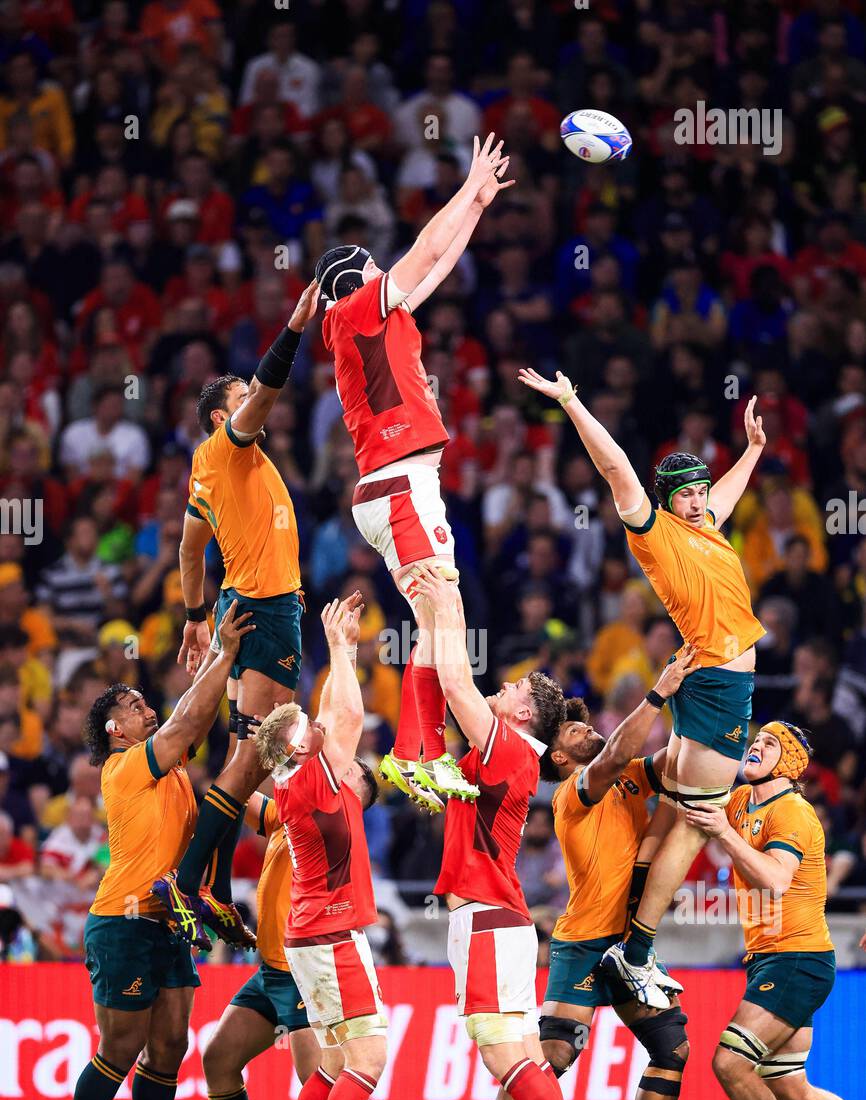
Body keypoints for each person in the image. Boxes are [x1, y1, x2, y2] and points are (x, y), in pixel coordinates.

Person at [519, 365, 767, 1009]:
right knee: (700, 818)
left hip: (703, 681)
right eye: (685, 493)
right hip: (718, 686)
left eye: (701, 490)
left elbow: (726, 497)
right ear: (665, 500)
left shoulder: (705, 524)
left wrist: (753, 452)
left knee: (678, 803)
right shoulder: (656, 534)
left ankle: (631, 927)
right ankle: (637, 951)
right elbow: (616, 469)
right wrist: (573, 402)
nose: (698, 498)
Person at [315, 133, 513, 814]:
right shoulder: (352, 310)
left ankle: (418, 750)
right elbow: (424, 251)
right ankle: (419, 751)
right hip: (401, 487)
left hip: (398, 487)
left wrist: (479, 206)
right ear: (354, 280)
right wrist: (465, 186)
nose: (385, 269)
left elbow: (433, 270)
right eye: (374, 264)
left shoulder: (375, 318)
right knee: (445, 618)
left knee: (439, 621)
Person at [469, 648, 701, 1100]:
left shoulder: (627, 778)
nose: (587, 730)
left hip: (628, 945)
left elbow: (676, 755)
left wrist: (698, 701)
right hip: (582, 942)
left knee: (673, 1048)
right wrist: (658, 692)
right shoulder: (575, 793)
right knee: (554, 1057)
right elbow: (623, 745)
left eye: (586, 723)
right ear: (558, 757)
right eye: (574, 730)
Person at [45, 601, 253, 1100]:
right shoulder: (126, 768)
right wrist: (223, 654)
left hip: (168, 922)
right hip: (122, 919)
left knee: (171, 1042)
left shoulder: (175, 771)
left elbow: (195, 723)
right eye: (132, 707)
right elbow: (188, 724)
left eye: (143, 702)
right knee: (122, 1042)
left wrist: (224, 676)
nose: (144, 707)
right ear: (115, 730)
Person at [411, 563, 603, 1100]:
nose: (503, 686)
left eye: (513, 684)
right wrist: (429, 615)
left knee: (501, 1053)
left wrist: (447, 602)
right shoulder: (502, 750)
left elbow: (458, 679)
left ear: (524, 710)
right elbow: (439, 683)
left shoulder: (508, 745)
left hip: (488, 916)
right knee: (523, 1051)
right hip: (503, 918)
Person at [252, 593, 436, 1100]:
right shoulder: (316, 780)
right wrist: (341, 646)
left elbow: (335, 718)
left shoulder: (301, 786)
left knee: (333, 1064)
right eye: (316, 735)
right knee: (369, 1058)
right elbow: (347, 719)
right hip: (331, 934)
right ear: (303, 748)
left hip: (309, 934)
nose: (353, 761)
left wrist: (341, 654)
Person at [156, 279, 320, 941]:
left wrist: (196, 618)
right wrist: (296, 326)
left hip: (238, 607)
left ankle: (220, 888)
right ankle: (185, 879)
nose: (250, 402)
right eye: (239, 400)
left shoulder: (211, 475)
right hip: (270, 610)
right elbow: (271, 385)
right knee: (258, 758)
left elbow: (190, 549)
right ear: (225, 418)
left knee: (239, 750)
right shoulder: (229, 448)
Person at [198, 774, 437, 1100]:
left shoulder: (331, 827)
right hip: (270, 971)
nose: (335, 775)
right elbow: (233, 790)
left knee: (324, 1075)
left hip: (301, 971)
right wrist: (240, 748)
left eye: (349, 776)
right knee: (218, 1060)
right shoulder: (287, 817)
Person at [685, 721, 866, 1100]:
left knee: (730, 1062)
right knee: (790, 1088)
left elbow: (775, 881)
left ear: (788, 762)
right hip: (772, 958)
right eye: (755, 739)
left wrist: (723, 832)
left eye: (769, 743)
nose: (755, 746)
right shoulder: (743, 802)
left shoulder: (795, 813)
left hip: (797, 957)